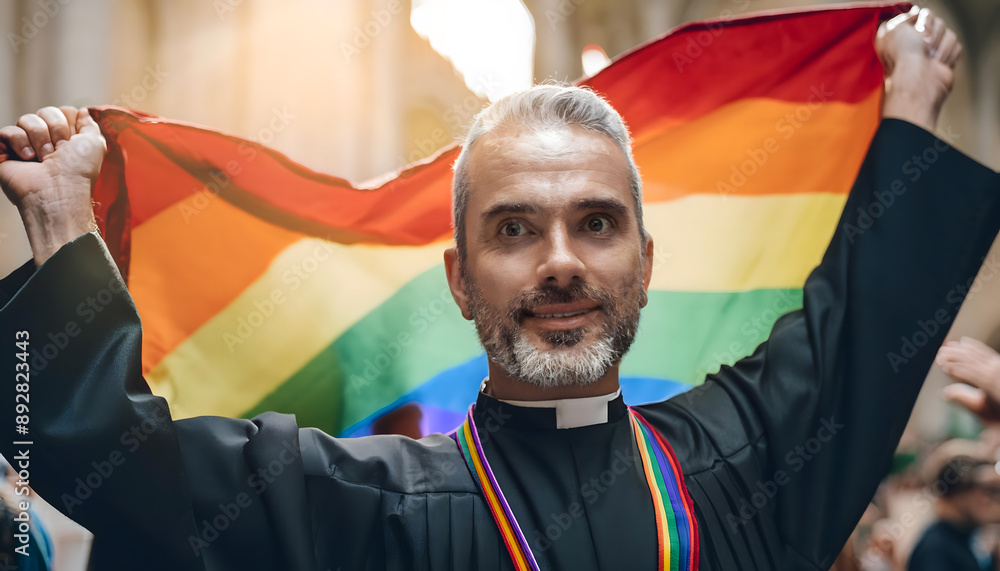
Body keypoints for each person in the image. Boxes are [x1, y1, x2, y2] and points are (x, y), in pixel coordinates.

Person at [0, 7, 996, 570]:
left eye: (596, 223)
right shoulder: (356, 506)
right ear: (461, 279)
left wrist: (905, 113)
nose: (559, 258)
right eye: (514, 229)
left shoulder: (741, 464)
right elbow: (109, 461)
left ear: (642, 266)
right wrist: (63, 226)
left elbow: (861, 329)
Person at [906, 442, 1000, 571]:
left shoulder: (962, 540)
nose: (987, 499)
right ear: (955, 492)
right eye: (984, 489)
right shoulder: (937, 549)